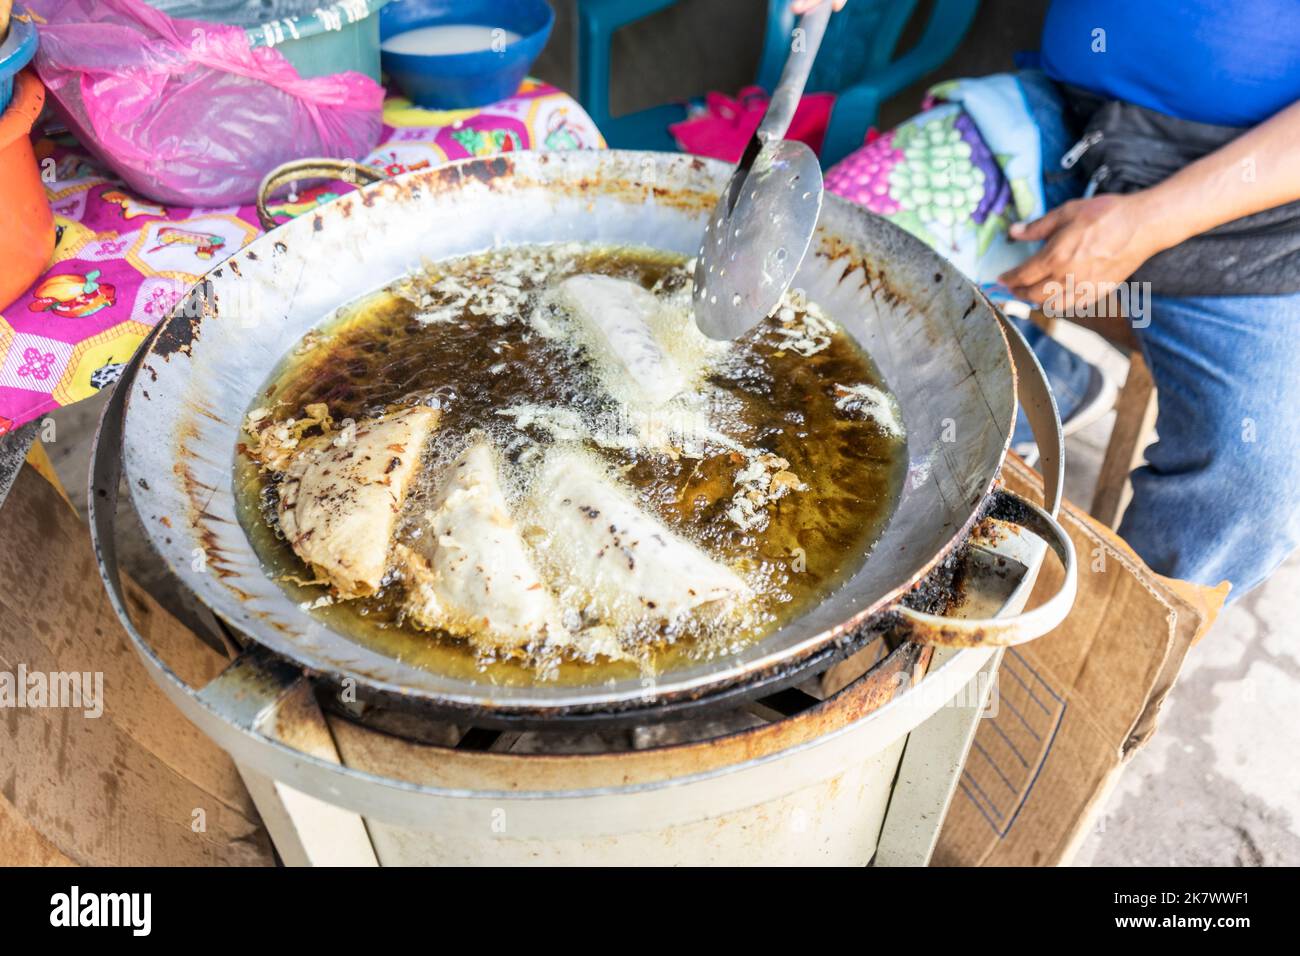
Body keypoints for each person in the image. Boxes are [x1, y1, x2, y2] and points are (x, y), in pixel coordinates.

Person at [803, 0, 1300, 600]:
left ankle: (1089, 658)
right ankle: (1047, 386)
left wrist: (1149, 222)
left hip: (1259, 211)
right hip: (1064, 120)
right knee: (823, 276)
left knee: (1253, 483)